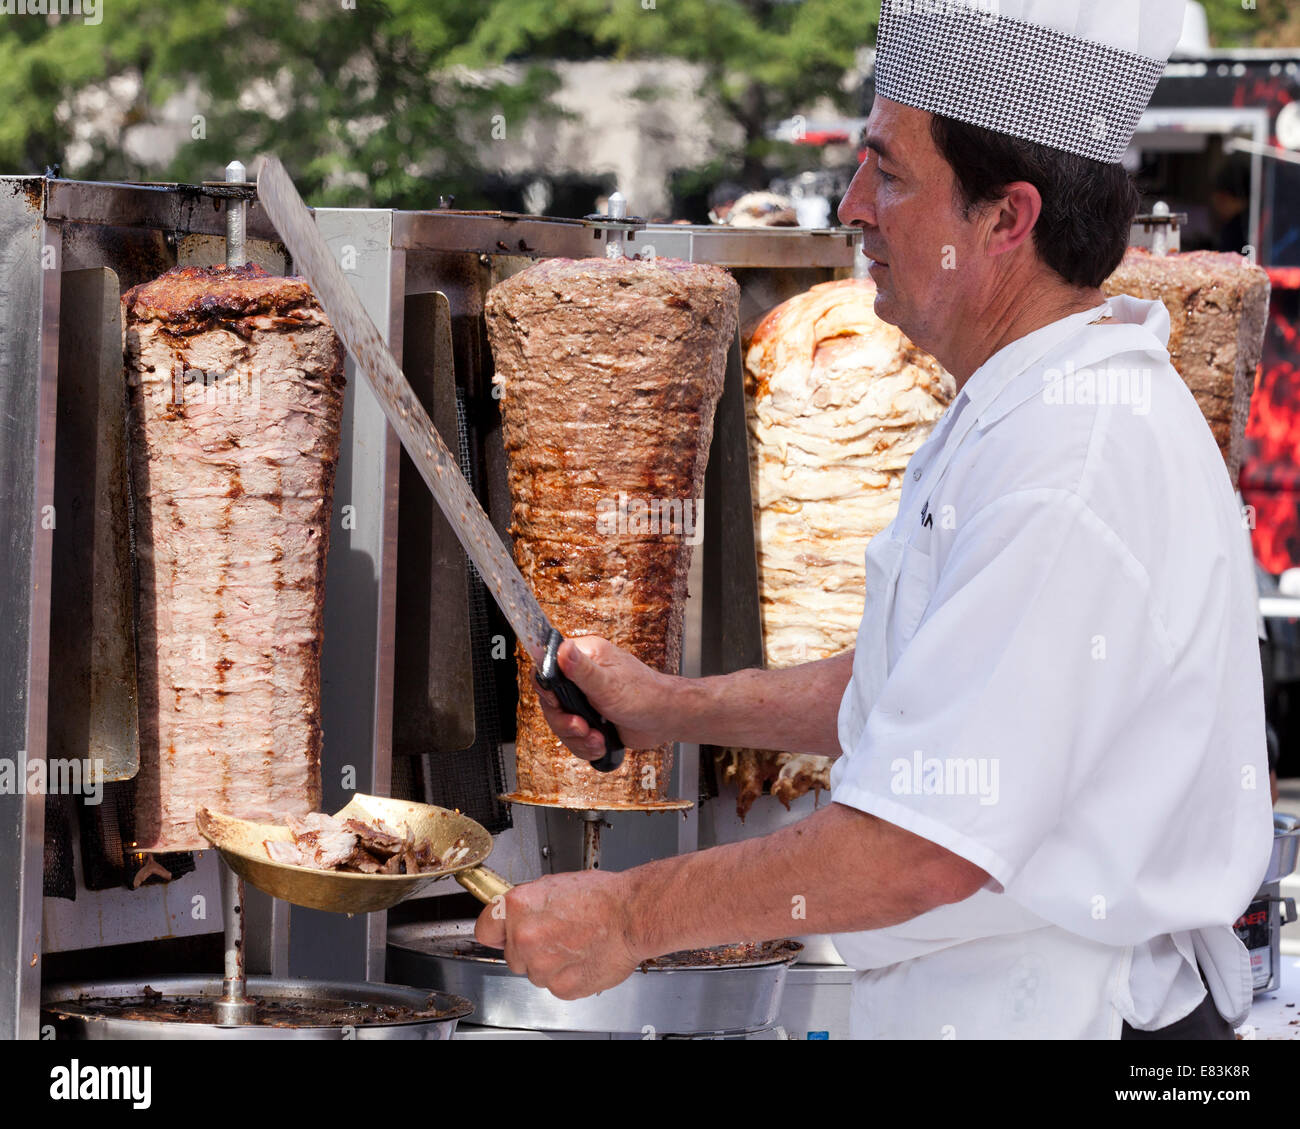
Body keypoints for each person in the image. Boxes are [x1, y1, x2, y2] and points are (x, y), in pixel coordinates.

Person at [476, 0, 1274, 1039]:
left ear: (1005, 219)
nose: (853, 206)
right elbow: (924, 685)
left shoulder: (1070, 457)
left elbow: (919, 844)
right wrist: (669, 707)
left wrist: (630, 915)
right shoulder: (1022, 402)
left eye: (888, 173)